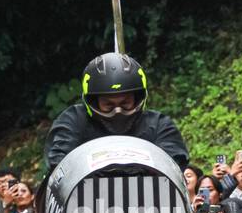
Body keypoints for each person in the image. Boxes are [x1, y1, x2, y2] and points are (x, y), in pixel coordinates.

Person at [44, 53, 188, 171]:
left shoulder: (159, 125)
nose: (118, 111)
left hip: (152, 203)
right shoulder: (74, 120)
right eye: (108, 104)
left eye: (125, 103)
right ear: (94, 101)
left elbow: (174, 162)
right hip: (83, 202)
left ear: (137, 98)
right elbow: (59, 161)